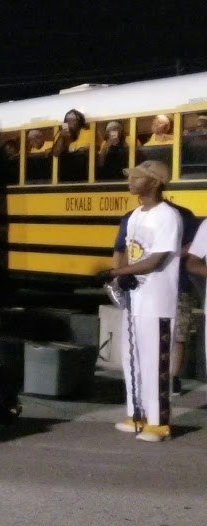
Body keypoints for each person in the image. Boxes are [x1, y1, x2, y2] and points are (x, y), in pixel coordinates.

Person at [102, 160, 181, 442]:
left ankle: (159, 423)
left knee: (154, 361)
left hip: (157, 300)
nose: (131, 181)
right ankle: (137, 414)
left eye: (138, 177)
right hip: (135, 298)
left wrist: (118, 271)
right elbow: (125, 250)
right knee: (131, 357)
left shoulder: (168, 216)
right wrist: (118, 277)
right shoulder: (135, 214)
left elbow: (156, 259)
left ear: (155, 183)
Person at [113, 193, 198, 396]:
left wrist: (171, 252)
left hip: (176, 283)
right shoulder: (131, 216)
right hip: (139, 286)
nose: (131, 184)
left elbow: (195, 245)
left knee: (177, 332)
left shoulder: (179, 215)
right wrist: (118, 276)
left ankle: (171, 377)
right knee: (142, 336)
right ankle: (147, 381)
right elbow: (121, 248)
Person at [52, 109, 91, 183]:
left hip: (85, 177)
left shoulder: (88, 133)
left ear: (79, 123)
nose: (70, 123)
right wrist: (62, 137)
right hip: (65, 179)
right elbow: (56, 153)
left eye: (73, 120)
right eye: (67, 121)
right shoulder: (61, 134)